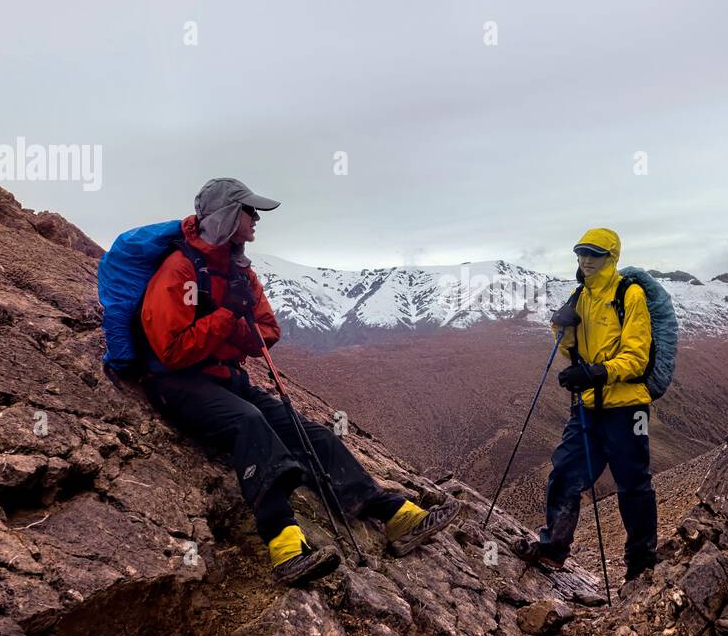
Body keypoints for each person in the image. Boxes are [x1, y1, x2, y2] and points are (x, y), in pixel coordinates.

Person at [139, 177, 459, 585]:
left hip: (225, 377)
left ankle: (391, 512)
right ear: (225, 217)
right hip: (177, 383)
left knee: (314, 434)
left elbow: (266, 333)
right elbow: (172, 351)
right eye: (249, 211)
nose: (256, 219)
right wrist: (228, 318)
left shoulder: (240, 273)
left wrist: (230, 321)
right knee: (250, 424)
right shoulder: (180, 271)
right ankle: (284, 544)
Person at [516, 227, 658, 583]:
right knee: (565, 473)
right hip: (587, 405)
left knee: (632, 484)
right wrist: (558, 328)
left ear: (612, 258)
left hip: (628, 407)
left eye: (594, 254)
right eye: (581, 254)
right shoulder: (580, 296)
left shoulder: (630, 294)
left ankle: (641, 565)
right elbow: (569, 350)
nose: (586, 260)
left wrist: (596, 373)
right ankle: (553, 549)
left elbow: (637, 358)